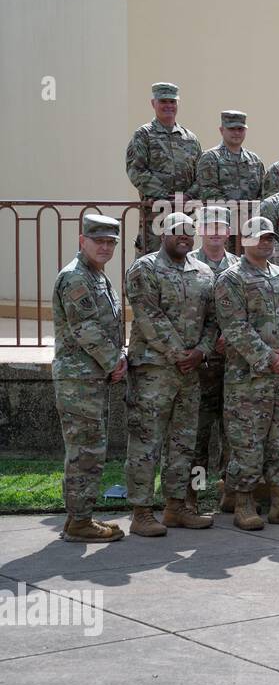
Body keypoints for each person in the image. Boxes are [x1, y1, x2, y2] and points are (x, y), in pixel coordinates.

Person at [213, 217, 279, 531]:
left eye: (270, 238)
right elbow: (234, 327)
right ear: (244, 241)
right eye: (260, 238)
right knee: (247, 442)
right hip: (249, 379)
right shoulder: (231, 278)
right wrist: (268, 357)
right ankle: (244, 503)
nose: (266, 243)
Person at [123, 212, 216, 536]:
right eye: (177, 231)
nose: (184, 237)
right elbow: (149, 318)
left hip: (189, 373)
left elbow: (212, 321)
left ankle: (176, 507)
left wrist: (201, 352)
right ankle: (141, 512)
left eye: (190, 232)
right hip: (155, 370)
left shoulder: (204, 272)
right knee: (147, 441)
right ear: (164, 234)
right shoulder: (144, 269)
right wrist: (181, 355)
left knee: (183, 442)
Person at [52, 215, 128, 542]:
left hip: (91, 377)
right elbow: (86, 329)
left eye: (111, 242)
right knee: (86, 452)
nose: (106, 247)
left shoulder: (95, 275)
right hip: (80, 380)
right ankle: (81, 523)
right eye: (99, 241)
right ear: (82, 241)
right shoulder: (76, 278)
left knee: (87, 449)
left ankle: (77, 519)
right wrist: (115, 360)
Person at [187, 206, 239, 509]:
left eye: (221, 226)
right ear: (200, 229)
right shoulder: (189, 265)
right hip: (201, 365)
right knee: (198, 435)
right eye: (210, 225)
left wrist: (230, 336)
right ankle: (192, 493)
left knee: (233, 433)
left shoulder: (240, 266)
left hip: (233, 365)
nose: (216, 231)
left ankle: (229, 490)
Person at [126, 82, 200, 256]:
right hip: (156, 215)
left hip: (185, 215)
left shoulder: (190, 139)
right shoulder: (143, 135)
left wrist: (187, 196)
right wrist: (165, 197)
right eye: (163, 101)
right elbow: (136, 170)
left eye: (172, 102)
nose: (168, 106)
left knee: (183, 260)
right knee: (150, 263)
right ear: (153, 104)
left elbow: (201, 176)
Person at [194, 111, 265, 205]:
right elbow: (208, 192)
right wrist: (233, 210)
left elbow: (264, 191)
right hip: (221, 216)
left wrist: (253, 210)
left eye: (240, 129)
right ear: (222, 130)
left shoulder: (255, 160)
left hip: (251, 215)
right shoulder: (210, 158)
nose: (236, 133)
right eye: (232, 129)